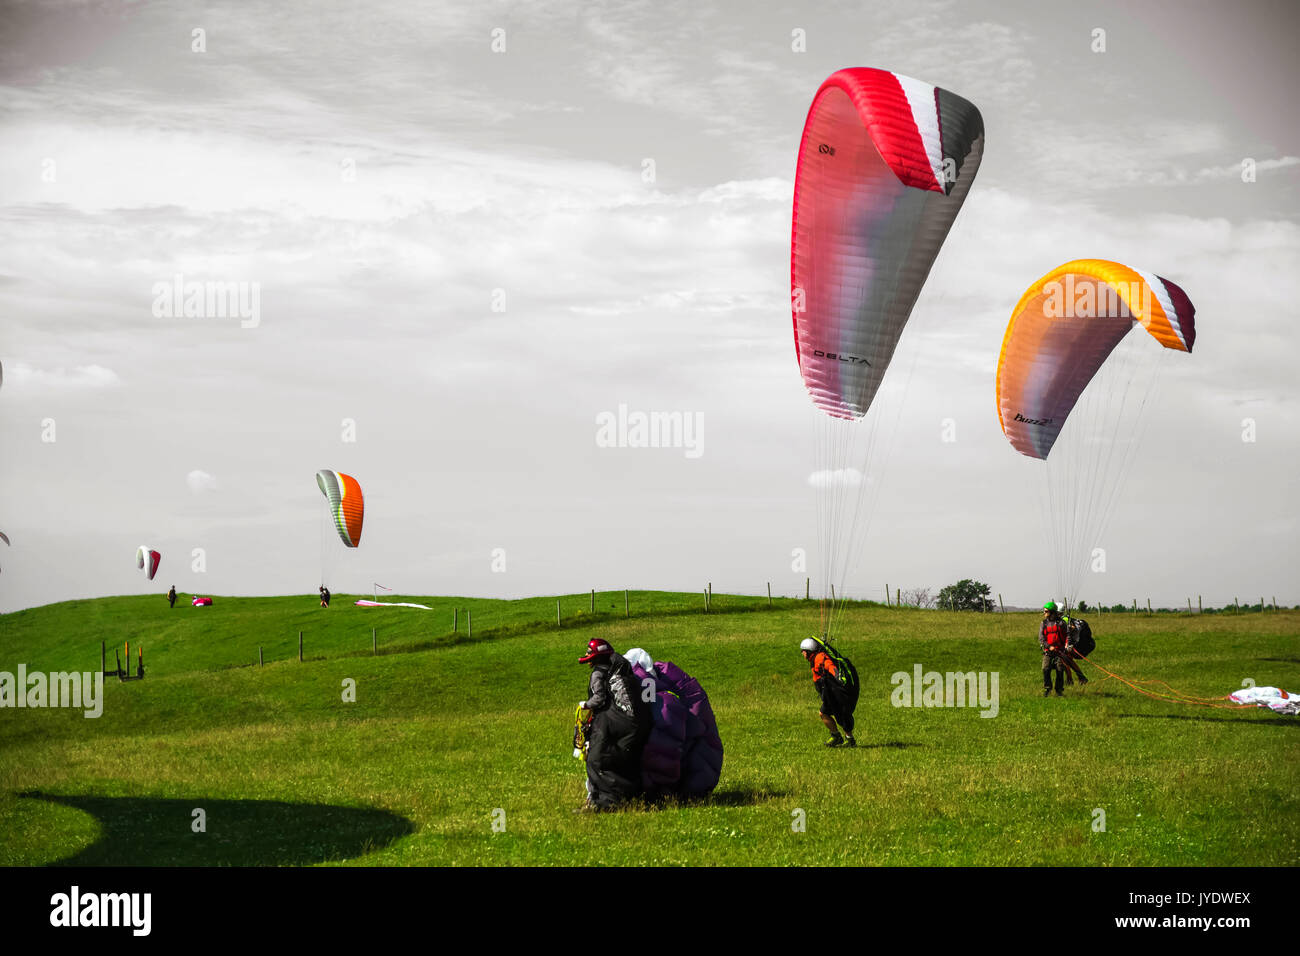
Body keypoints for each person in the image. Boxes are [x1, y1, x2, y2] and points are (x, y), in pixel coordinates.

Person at [576, 638, 651, 810]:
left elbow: (599, 699)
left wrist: (585, 705)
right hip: (637, 726)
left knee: (597, 759)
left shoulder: (598, 674)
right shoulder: (622, 672)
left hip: (618, 725)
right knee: (625, 760)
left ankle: (604, 803)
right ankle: (630, 799)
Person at [800, 637, 858, 747]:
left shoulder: (820, 658)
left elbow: (830, 665)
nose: (802, 654)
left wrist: (837, 675)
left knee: (841, 714)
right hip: (829, 694)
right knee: (823, 713)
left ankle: (850, 740)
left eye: (803, 651)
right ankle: (836, 736)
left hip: (835, 692)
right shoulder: (814, 659)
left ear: (809, 651)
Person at [1040, 601, 1070, 697]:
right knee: (1045, 668)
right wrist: (1049, 646)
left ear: (1052, 612)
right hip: (1048, 651)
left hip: (1060, 651)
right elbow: (1041, 638)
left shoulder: (1061, 623)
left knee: (1060, 670)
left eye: (1046, 611)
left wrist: (1067, 645)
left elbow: (1067, 635)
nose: (1044, 613)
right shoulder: (1044, 623)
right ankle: (1048, 688)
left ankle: (1059, 690)